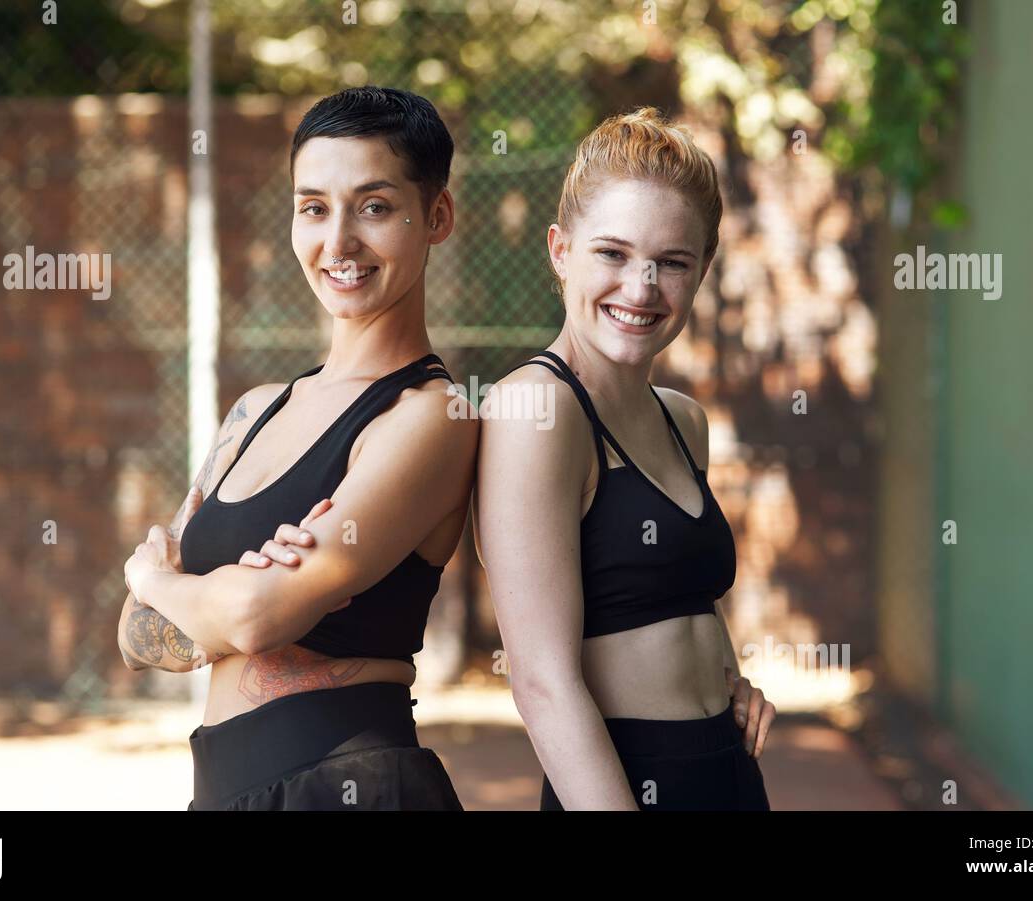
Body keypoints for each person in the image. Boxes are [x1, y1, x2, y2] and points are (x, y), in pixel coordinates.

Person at [117, 86, 478, 811]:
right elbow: (137, 638)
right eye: (313, 207)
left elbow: (247, 616)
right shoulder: (252, 411)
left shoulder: (431, 414)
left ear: (435, 217)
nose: (338, 242)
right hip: (225, 794)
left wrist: (160, 580)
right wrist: (230, 597)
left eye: (373, 206)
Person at [475, 107, 776, 810]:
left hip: (730, 773)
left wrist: (729, 682)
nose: (641, 288)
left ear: (702, 271)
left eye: (672, 262)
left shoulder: (684, 420)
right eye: (612, 253)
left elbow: (678, 602)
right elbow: (542, 682)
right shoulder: (539, 411)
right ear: (559, 250)